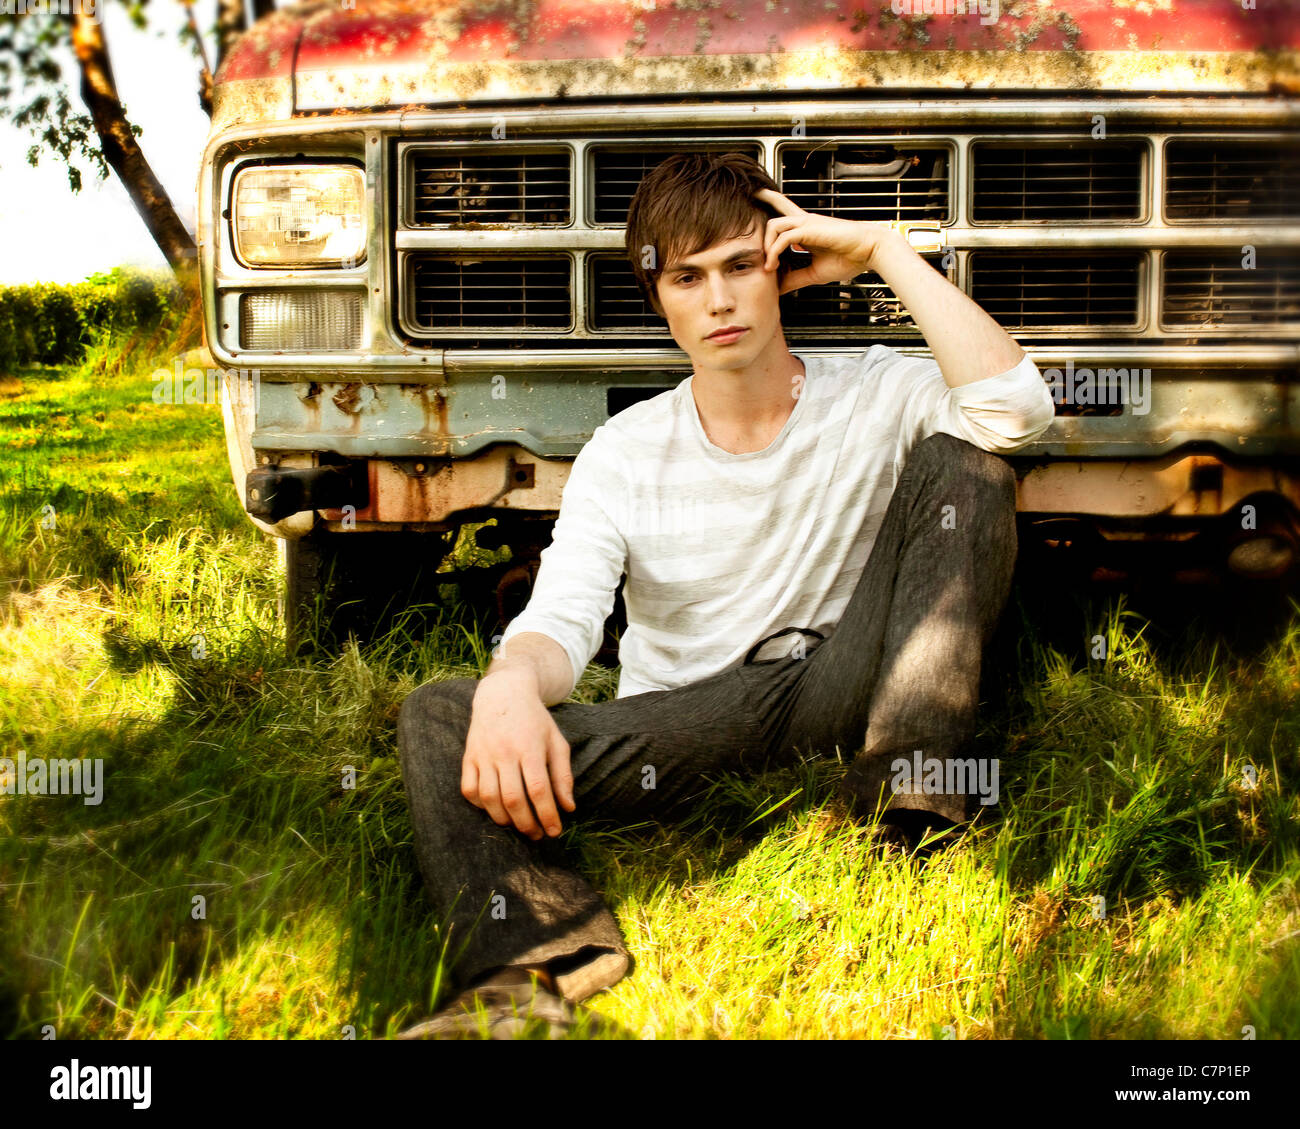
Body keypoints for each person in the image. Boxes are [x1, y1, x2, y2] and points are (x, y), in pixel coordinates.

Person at [395, 152, 1055, 1038]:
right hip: (683, 723)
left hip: (839, 685)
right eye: (688, 276)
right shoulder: (624, 450)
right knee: (443, 712)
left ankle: (906, 814)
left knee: (968, 466)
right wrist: (513, 679)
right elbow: (565, 615)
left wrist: (887, 250)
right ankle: (531, 969)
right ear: (660, 298)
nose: (719, 300)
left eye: (742, 266)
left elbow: (1018, 413)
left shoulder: (875, 389)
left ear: (783, 272)